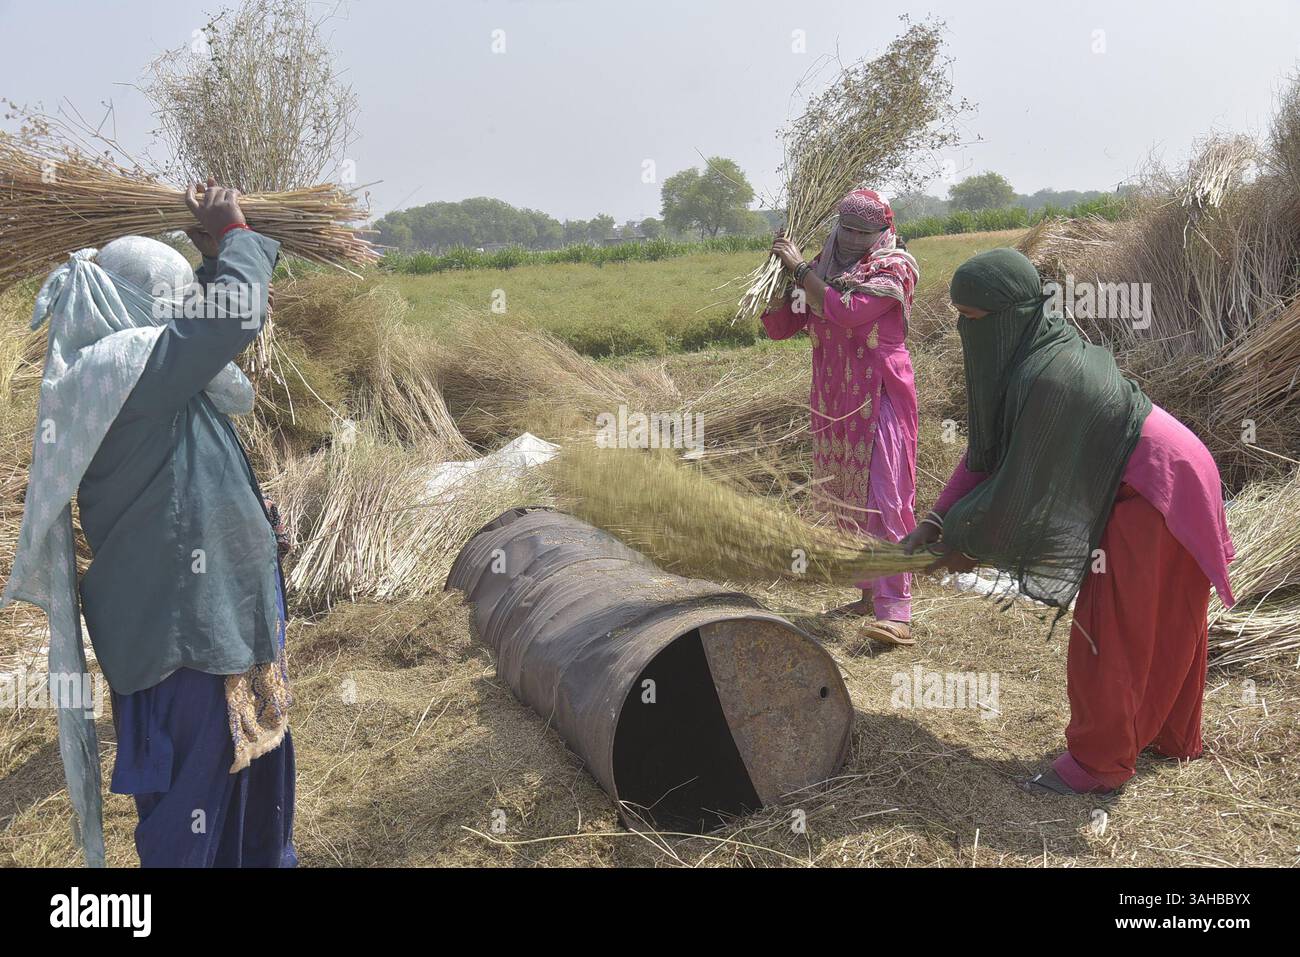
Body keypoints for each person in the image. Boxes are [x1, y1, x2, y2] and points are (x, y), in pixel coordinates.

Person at [1, 177, 296, 865]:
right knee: (192, 841)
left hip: (216, 643)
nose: (183, 322)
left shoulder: (139, 381)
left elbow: (184, 477)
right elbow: (234, 318)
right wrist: (234, 235)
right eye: (176, 309)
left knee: (250, 828)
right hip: (191, 658)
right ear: (140, 311)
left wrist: (251, 521)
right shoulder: (124, 372)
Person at [903, 248, 1236, 796]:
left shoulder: (1050, 375)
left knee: (1113, 630)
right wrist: (936, 521)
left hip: (1154, 484)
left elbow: (1015, 492)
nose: (965, 329)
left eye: (974, 319)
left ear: (1012, 313)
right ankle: (1172, 737)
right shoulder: (1029, 352)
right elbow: (988, 454)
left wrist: (957, 546)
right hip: (1175, 467)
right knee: (1166, 616)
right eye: (959, 316)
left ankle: (1099, 764)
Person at [763, 189, 921, 645]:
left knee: (888, 494)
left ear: (882, 232)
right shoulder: (821, 265)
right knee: (849, 497)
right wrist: (774, 279)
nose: (852, 239)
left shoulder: (894, 268)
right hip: (836, 395)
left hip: (880, 391)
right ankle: (869, 591)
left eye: (863, 232)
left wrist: (800, 270)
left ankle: (897, 611)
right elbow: (784, 326)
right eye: (846, 229)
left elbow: (848, 312)